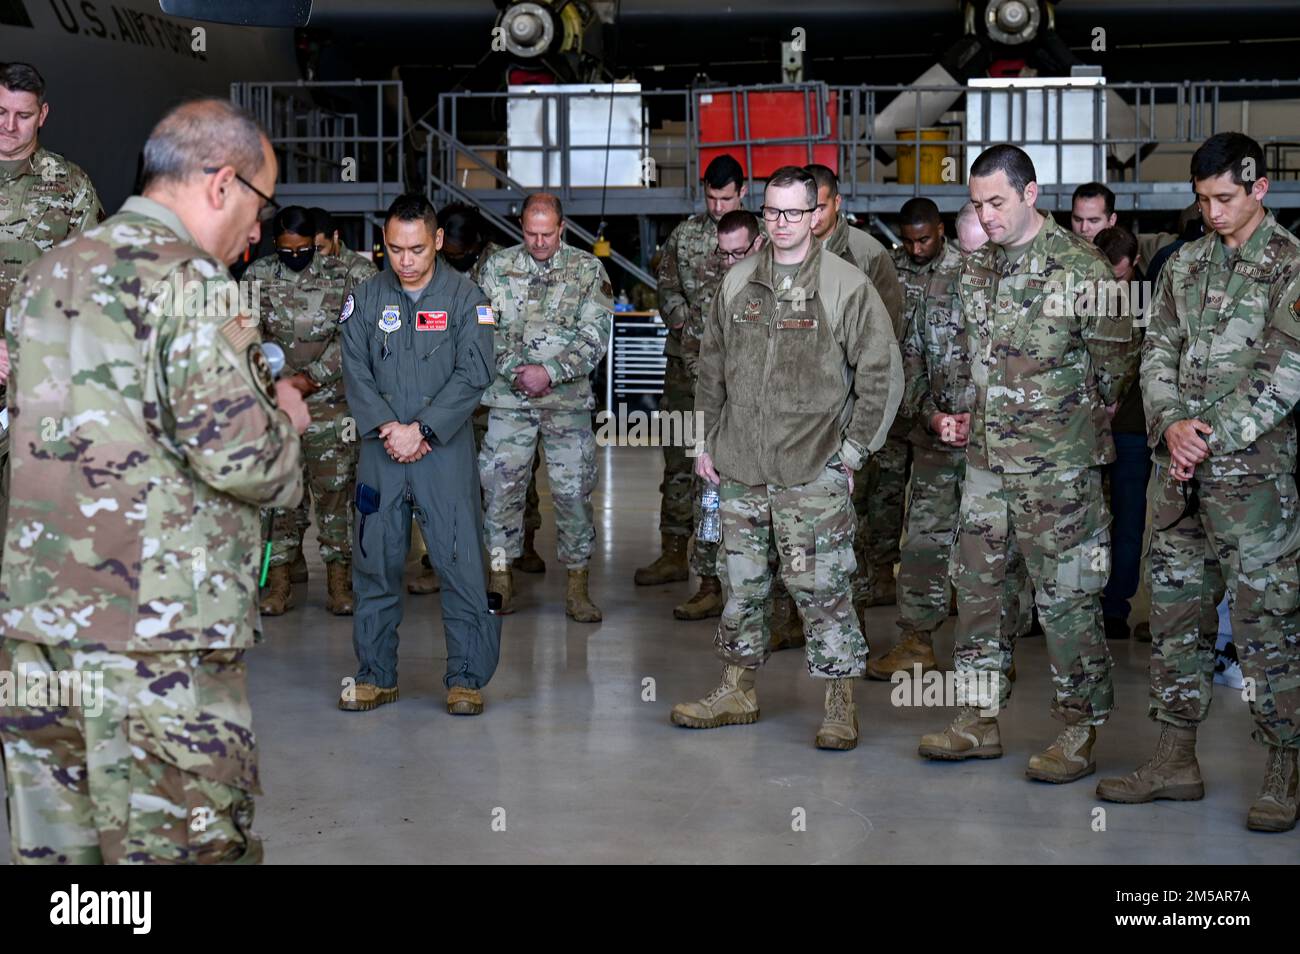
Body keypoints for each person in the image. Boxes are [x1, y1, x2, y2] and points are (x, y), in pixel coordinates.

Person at [0, 98, 308, 864]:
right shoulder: (195, 288)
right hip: (159, 645)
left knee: (65, 870)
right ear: (221, 184)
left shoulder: (43, 276)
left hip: (40, 639)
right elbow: (248, 462)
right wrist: (286, 423)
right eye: (259, 205)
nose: (259, 230)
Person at [917, 145, 1139, 783]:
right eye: (977, 203)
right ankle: (978, 720)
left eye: (997, 202)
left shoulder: (1082, 269)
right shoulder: (974, 269)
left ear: (1031, 194)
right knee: (979, 592)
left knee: (1066, 599)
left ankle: (1077, 729)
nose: (985, 216)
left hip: (1059, 470)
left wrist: (1065, 429)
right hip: (987, 464)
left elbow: (1114, 369)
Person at [1098, 133, 1300, 832]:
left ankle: (1284, 765)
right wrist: (1170, 425)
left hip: (1254, 490)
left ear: (1259, 189)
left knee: (1266, 627)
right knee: (1178, 622)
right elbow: (1155, 352)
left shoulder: (1291, 267)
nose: (1212, 212)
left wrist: (1202, 437)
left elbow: (1283, 378)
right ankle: (1175, 758)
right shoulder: (1184, 266)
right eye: (1202, 199)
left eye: (1225, 198)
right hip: (1175, 482)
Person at [671, 165, 902, 750]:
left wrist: (851, 452)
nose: (780, 223)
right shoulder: (739, 281)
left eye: (793, 212)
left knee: (821, 589)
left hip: (812, 471)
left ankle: (840, 700)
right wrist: (704, 441)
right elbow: (713, 369)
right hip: (742, 467)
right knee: (741, 585)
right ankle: (737, 688)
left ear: (816, 215)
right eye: (772, 212)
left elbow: (882, 374)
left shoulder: (846, 285)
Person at [339, 193, 502, 715]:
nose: (405, 261)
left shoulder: (466, 299)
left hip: (443, 453)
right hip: (381, 450)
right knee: (374, 562)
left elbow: (474, 372)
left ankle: (466, 679)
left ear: (437, 241)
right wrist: (390, 427)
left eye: (416, 249)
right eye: (394, 249)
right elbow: (355, 370)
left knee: (459, 564)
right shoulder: (365, 299)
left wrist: (424, 431)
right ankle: (375, 675)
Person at [868, 202, 1032, 679]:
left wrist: (992, 420)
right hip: (939, 443)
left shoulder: (1021, 290)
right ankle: (916, 641)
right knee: (923, 542)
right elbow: (911, 359)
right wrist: (933, 415)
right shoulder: (939, 289)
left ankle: (997, 655)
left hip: (999, 446)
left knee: (997, 549)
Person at [478, 192, 612, 621]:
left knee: (573, 494)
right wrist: (519, 369)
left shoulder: (588, 270)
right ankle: (500, 578)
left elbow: (596, 336)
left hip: (566, 403)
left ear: (562, 229)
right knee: (500, 489)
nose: (539, 242)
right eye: (531, 234)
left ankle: (577, 586)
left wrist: (550, 372)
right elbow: (483, 329)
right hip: (509, 399)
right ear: (522, 228)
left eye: (547, 234)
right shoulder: (496, 268)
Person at [245, 205, 374, 616]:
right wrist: (275, 381)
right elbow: (244, 333)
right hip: (277, 403)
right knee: (280, 500)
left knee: (336, 497)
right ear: (275, 244)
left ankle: (340, 583)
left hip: (330, 405)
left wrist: (312, 378)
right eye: (287, 250)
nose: (296, 256)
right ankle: (278, 583)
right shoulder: (257, 276)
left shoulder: (342, 277)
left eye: (303, 250)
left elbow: (353, 337)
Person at [636, 154, 745, 624]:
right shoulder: (685, 236)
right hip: (686, 370)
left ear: (743, 191)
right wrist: (687, 330)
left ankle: (722, 577)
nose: (718, 207)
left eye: (727, 198)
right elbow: (666, 290)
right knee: (681, 460)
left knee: (727, 479)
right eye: (711, 197)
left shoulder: (755, 236)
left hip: (739, 376)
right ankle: (674, 551)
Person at [0, 62, 103, 547]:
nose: (9, 126)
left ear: (42, 114)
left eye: (22, 115)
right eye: (0, 112)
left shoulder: (70, 187)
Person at [805, 163, 908, 612]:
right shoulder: (780, 252)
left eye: (819, 207)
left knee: (853, 521)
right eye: (802, 208)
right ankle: (795, 618)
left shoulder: (867, 255)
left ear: (837, 203)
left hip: (848, 415)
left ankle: (852, 629)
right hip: (798, 418)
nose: (810, 218)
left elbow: (885, 342)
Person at [1091, 225, 1149, 642]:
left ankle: (1115, 607)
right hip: (1086, 428)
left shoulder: (1150, 298)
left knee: (1127, 522)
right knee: (1085, 522)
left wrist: (1116, 399)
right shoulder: (1082, 291)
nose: (1114, 284)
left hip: (1131, 429)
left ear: (1136, 262)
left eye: (1121, 276)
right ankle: (1079, 603)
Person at [311, 206, 373, 276]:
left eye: (318, 249)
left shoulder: (362, 269)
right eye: (306, 249)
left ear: (335, 236)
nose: (313, 255)